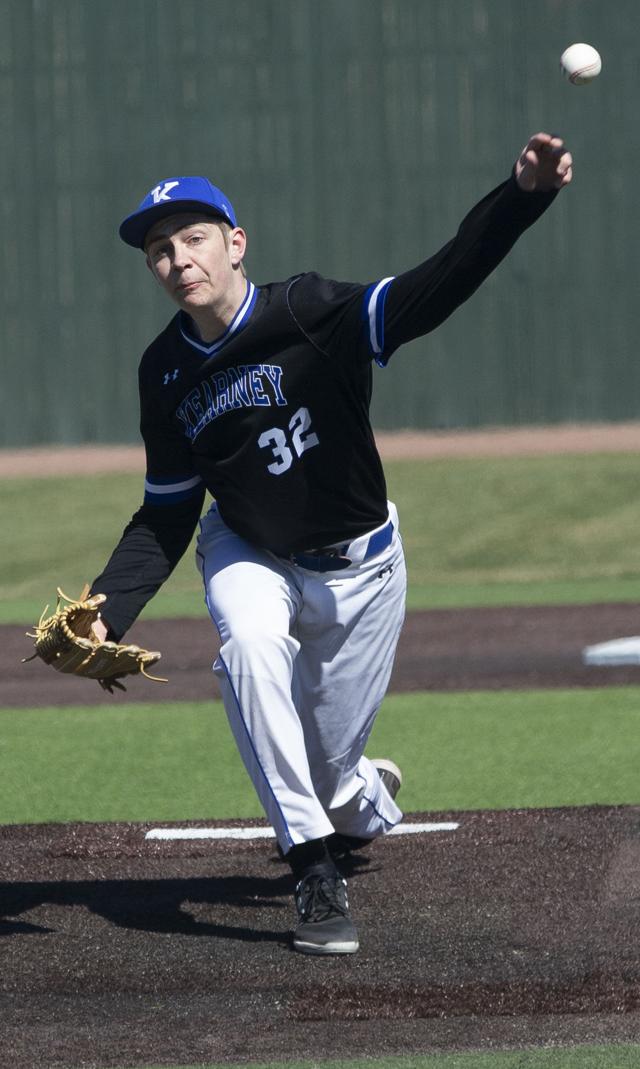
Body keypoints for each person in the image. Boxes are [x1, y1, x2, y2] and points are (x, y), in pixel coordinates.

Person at [89, 133, 572, 955]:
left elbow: (437, 285)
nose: (176, 258)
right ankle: (313, 868)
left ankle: (355, 797)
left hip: (362, 569)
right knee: (247, 648)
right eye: (159, 250)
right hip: (247, 548)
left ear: (236, 243)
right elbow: (166, 512)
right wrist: (107, 608)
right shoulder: (163, 371)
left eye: (194, 237)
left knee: (329, 777)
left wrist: (521, 196)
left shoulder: (309, 312)